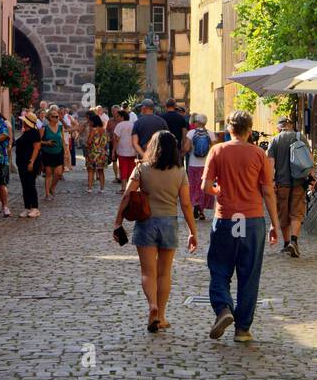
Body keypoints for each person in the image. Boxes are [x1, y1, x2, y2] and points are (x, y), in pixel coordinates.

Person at [201, 110, 281, 344]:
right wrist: (275, 224)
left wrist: (219, 191)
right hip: (252, 219)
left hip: (226, 218)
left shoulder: (217, 151)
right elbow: (267, 191)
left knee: (219, 268)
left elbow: (206, 186)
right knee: (249, 274)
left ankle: (224, 308)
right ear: (249, 130)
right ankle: (243, 329)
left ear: (229, 129)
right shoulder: (259, 154)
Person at [113, 130, 198, 332]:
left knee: (147, 273)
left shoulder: (142, 169)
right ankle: (161, 315)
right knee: (164, 273)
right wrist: (192, 231)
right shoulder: (180, 171)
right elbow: (186, 204)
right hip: (169, 223)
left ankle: (151, 305)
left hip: (146, 222)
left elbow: (127, 196)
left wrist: (118, 222)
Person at [266, 114, 311, 258]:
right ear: (291, 125)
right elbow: (309, 160)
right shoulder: (300, 137)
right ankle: (294, 242)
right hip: (300, 182)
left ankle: (286, 244)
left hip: (281, 183)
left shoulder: (275, 140)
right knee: (296, 213)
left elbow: (270, 163)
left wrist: (271, 181)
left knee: (283, 214)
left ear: (279, 127)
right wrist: (312, 177)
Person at [184, 113, 215, 221]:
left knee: (194, 187)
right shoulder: (210, 134)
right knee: (204, 187)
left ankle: (195, 204)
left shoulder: (191, 133)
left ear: (197, 122)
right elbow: (215, 150)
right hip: (206, 166)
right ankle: (201, 211)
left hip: (193, 164)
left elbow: (186, 148)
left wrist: (190, 148)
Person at [14, 110, 43, 217]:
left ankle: (35, 207)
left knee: (30, 184)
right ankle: (27, 207)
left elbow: (36, 148)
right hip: (22, 163)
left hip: (30, 162)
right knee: (25, 185)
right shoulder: (26, 132)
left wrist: (31, 161)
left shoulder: (34, 133)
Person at [41, 107, 66, 199]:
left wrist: (66, 151)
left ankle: (52, 188)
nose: (57, 118)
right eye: (55, 116)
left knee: (59, 174)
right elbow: (38, 141)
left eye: (58, 116)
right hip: (48, 153)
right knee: (48, 174)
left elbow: (62, 139)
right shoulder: (45, 128)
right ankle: (47, 194)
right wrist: (46, 143)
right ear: (49, 118)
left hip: (58, 152)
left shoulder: (60, 127)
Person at [84, 111, 109, 191]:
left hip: (93, 153)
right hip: (102, 154)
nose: (90, 123)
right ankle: (102, 188)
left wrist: (87, 144)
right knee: (101, 171)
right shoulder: (104, 130)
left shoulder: (93, 130)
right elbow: (106, 141)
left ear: (93, 122)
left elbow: (89, 141)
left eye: (90, 121)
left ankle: (90, 188)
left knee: (91, 171)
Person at [113, 105, 138, 186]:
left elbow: (116, 139)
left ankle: (124, 187)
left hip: (122, 151)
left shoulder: (119, 125)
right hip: (132, 150)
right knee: (131, 169)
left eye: (118, 116)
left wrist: (114, 150)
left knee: (123, 169)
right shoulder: (133, 125)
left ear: (122, 117)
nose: (116, 118)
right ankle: (130, 187)